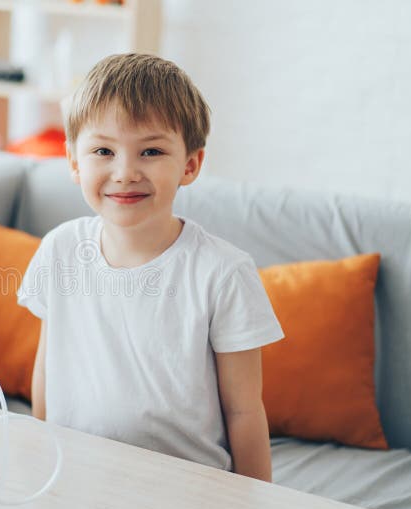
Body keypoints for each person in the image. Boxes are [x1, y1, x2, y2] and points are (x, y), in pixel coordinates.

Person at [16, 53, 284, 482]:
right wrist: (44, 460)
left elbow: (244, 410)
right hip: (76, 476)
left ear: (190, 165)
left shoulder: (224, 272)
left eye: (152, 151)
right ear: (72, 162)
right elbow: (47, 368)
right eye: (103, 150)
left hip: (185, 488)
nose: (125, 172)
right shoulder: (59, 249)